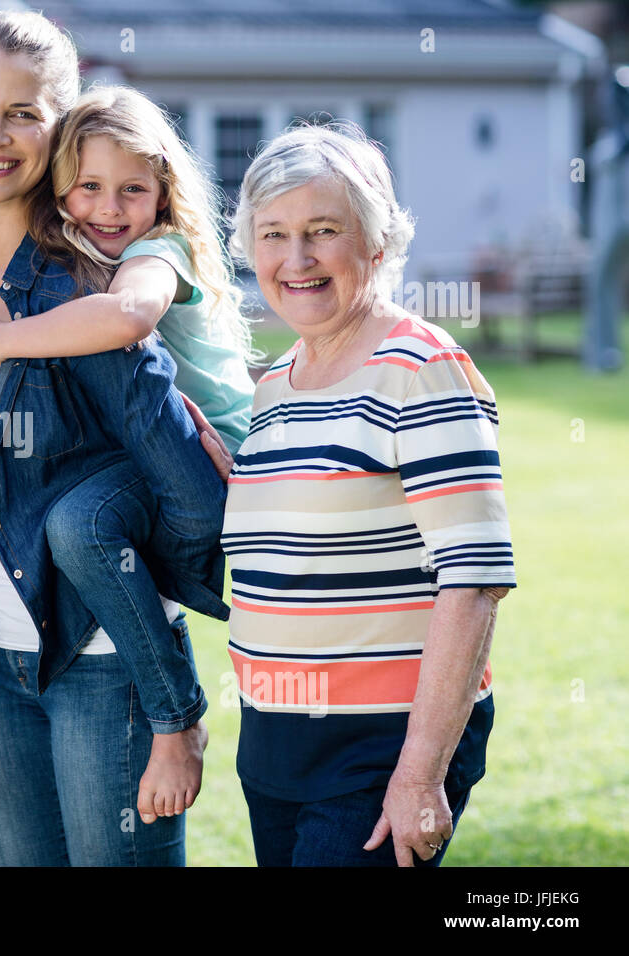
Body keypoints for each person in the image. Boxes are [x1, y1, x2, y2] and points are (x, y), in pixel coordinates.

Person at [0, 10, 229, 866]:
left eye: (25, 113)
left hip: (106, 664)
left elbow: (196, 503)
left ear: (64, 128)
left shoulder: (88, 297)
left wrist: (173, 710)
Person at [210, 121, 515, 866]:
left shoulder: (421, 367)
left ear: (375, 243)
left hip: (381, 745)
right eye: (274, 234)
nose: (297, 258)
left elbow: (474, 583)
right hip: (274, 741)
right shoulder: (276, 386)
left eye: (323, 231)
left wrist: (419, 774)